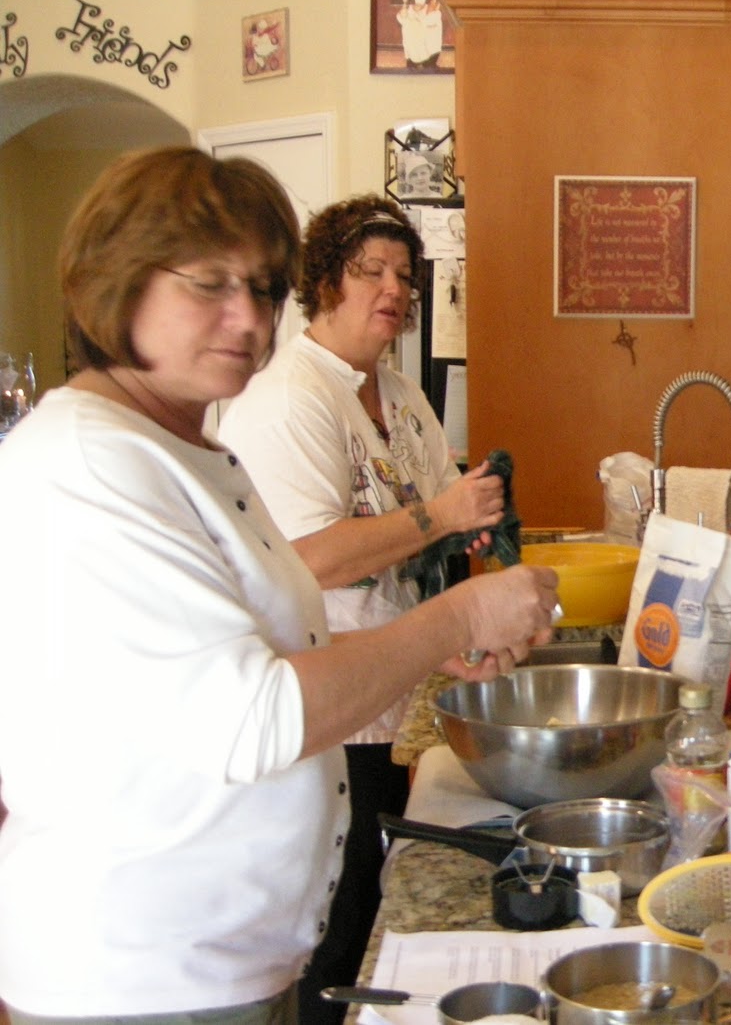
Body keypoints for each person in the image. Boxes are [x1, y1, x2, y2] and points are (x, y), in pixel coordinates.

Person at [0, 147, 558, 1021]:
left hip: (227, 962)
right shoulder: (88, 462)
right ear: (117, 283)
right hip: (142, 977)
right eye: (209, 283)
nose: (248, 317)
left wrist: (432, 647)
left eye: (261, 287)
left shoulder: (182, 448)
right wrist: (458, 615)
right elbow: (252, 715)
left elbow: (254, 660)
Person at [218, 195, 503, 1023]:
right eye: (368, 270)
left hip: (398, 686)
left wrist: (459, 604)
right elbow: (309, 557)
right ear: (321, 279)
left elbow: (422, 537)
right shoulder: (289, 398)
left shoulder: (401, 395)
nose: (391, 288)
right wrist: (445, 516)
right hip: (334, 708)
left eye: (404, 275)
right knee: (334, 936)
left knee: (371, 914)